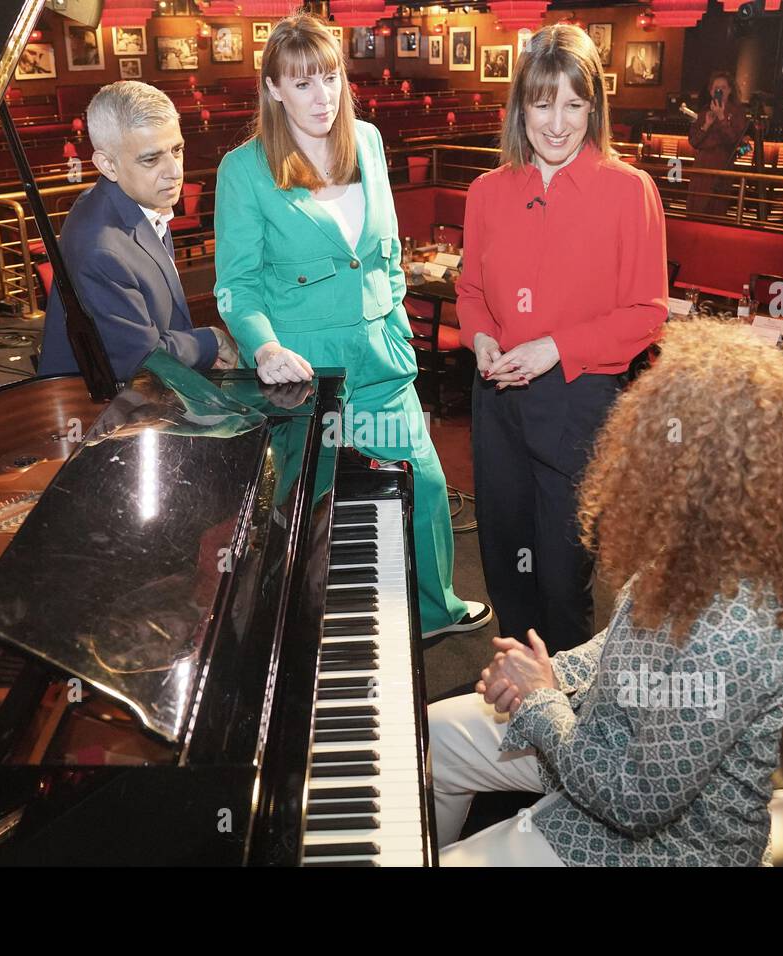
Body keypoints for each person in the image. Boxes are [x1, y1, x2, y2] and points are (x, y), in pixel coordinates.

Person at [429, 318, 783, 866]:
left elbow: (635, 803)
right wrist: (547, 674)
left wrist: (539, 700)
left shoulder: (741, 625)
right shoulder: (698, 538)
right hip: (601, 735)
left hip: (666, 843)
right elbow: (624, 640)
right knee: (431, 739)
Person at [213, 13, 491, 639]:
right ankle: (313, 630)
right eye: (303, 83)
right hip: (307, 371)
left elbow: (387, 247)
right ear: (274, 89)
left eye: (330, 78)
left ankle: (432, 612)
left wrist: (393, 315)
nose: (322, 97)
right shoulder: (244, 169)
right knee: (314, 509)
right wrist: (265, 348)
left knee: (423, 485)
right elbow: (237, 285)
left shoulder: (366, 139)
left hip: (380, 359)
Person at [455, 24, 666, 655]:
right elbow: (469, 292)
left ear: (594, 107)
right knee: (503, 556)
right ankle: (517, 687)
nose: (556, 123)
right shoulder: (487, 192)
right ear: (519, 107)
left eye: (574, 104)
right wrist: (481, 339)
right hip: (498, 403)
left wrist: (555, 347)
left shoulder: (630, 191)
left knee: (561, 571)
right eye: (542, 103)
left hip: (579, 403)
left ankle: (567, 714)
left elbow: (647, 313)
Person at [39, 82, 237, 379]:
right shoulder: (101, 249)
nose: (175, 171)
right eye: (151, 159)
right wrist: (211, 339)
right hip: (100, 413)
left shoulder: (131, 199)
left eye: (177, 149)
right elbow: (141, 362)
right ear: (107, 165)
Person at [686, 71, 745, 216]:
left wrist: (721, 117)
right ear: (711, 91)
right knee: (697, 208)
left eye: (723, 87)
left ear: (730, 90)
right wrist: (706, 125)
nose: (719, 91)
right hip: (702, 165)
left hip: (722, 163)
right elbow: (693, 142)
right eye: (716, 88)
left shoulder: (737, 112)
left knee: (716, 208)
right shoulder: (705, 110)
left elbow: (734, 141)